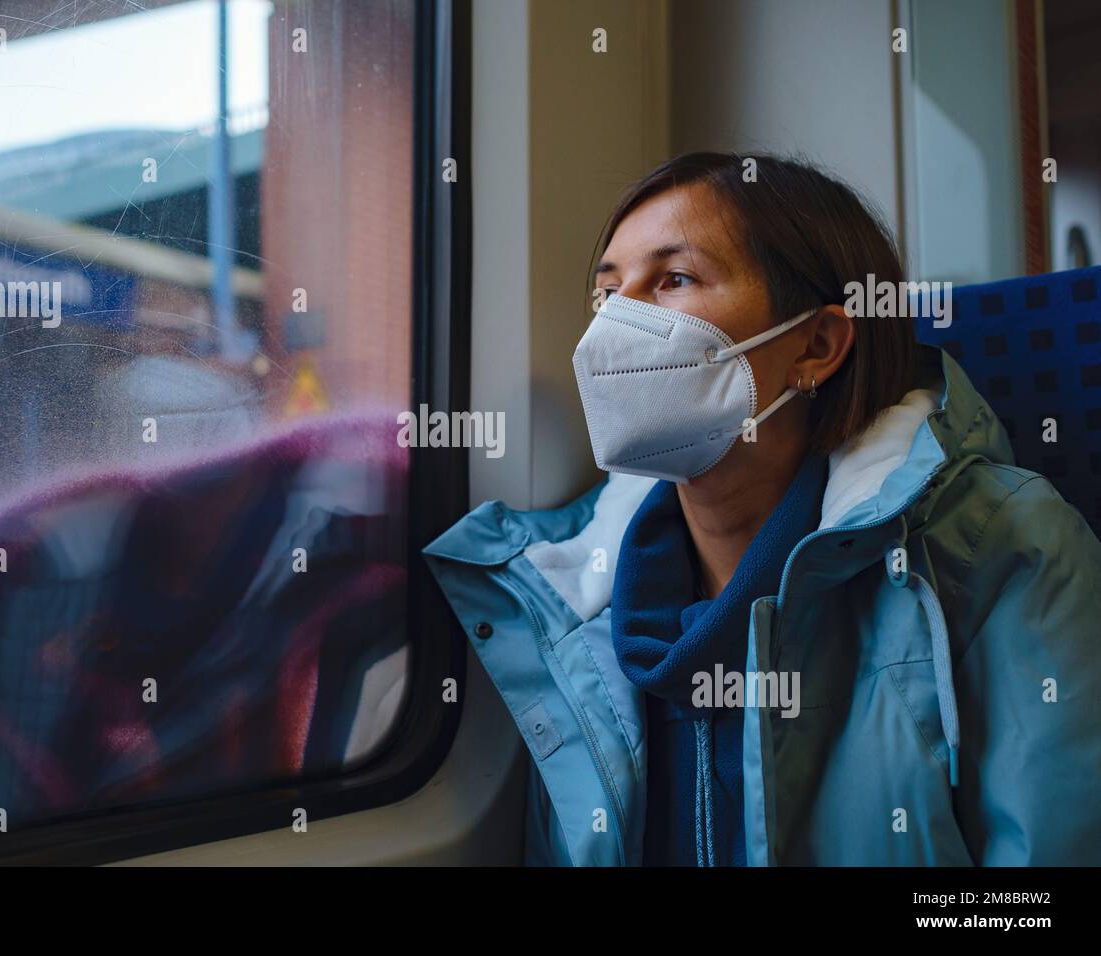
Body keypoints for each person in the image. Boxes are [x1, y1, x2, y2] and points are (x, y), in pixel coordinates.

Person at [423, 152, 1101, 866]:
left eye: (674, 279)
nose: (615, 329)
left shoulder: (1006, 546)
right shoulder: (565, 592)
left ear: (815, 345)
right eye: (608, 295)